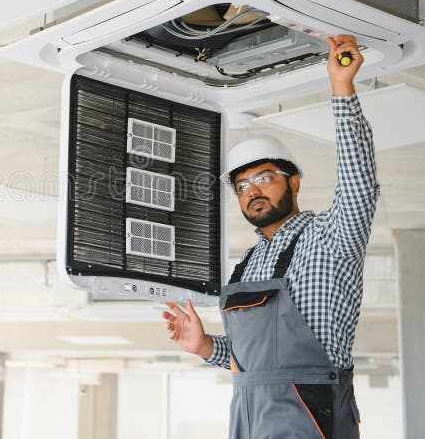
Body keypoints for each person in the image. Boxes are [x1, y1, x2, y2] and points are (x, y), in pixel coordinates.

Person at [162, 35, 379, 438]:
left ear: (293, 182)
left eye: (264, 179)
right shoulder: (247, 264)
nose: (253, 191)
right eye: (243, 186)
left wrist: (341, 87)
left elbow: (359, 181)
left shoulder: (331, 236)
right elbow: (251, 364)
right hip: (248, 413)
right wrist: (206, 346)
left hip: (310, 411)